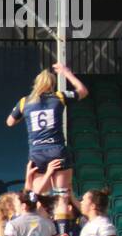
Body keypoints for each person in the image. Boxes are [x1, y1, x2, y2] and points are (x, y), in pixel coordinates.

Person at [5, 62, 88, 197]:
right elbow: (82, 91)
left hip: (37, 153)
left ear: (36, 84)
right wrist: (66, 73)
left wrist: (24, 115)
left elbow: (10, 122)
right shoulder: (59, 97)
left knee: (39, 197)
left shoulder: (24, 102)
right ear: (52, 85)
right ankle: (63, 218)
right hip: (57, 149)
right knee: (62, 196)